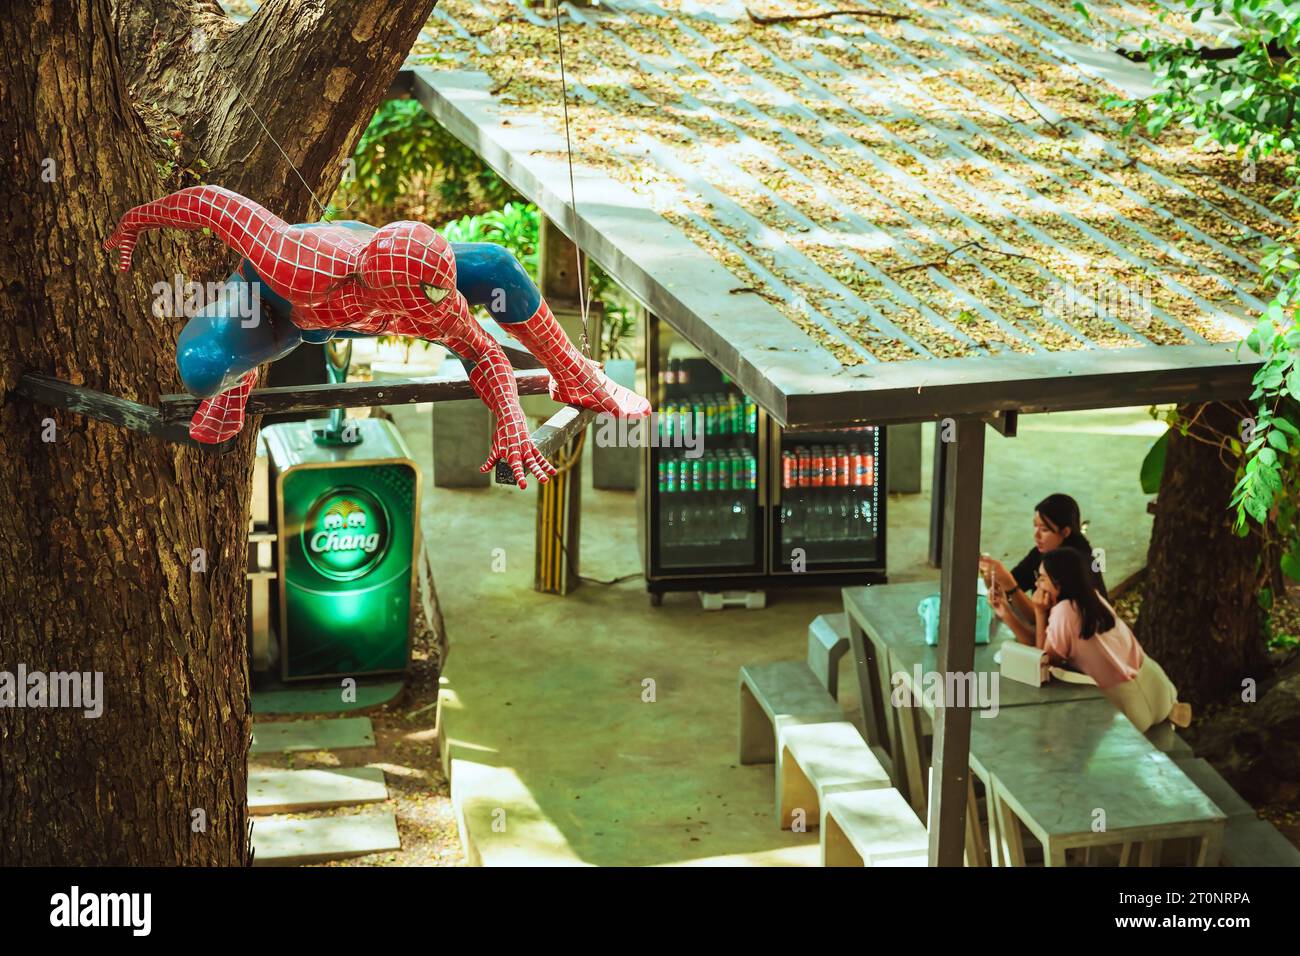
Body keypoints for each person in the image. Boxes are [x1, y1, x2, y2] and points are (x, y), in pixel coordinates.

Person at [989, 547, 1191, 733]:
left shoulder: (1065, 612)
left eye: (1042, 578)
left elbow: (1042, 662)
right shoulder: (1093, 598)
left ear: (1058, 583)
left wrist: (1040, 613)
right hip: (1159, 688)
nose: (1036, 584)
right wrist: (1006, 613)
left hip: (1128, 706)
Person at [979, 493, 1105, 633]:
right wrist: (991, 575)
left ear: (1065, 532)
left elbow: (1040, 621)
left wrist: (1010, 585)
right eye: (1035, 526)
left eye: (1044, 529)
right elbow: (1012, 585)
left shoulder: (1074, 567)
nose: (1036, 535)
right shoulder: (1044, 550)